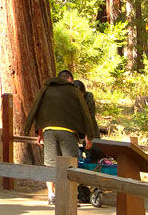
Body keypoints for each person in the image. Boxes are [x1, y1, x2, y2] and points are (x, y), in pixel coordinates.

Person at [22, 69, 97, 204]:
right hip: (67, 131)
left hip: (48, 131)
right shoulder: (73, 91)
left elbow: (37, 109)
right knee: (70, 164)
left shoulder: (46, 89)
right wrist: (89, 136)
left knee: (50, 164)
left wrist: (34, 131)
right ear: (69, 79)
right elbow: (85, 114)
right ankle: (70, 197)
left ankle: (52, 195)